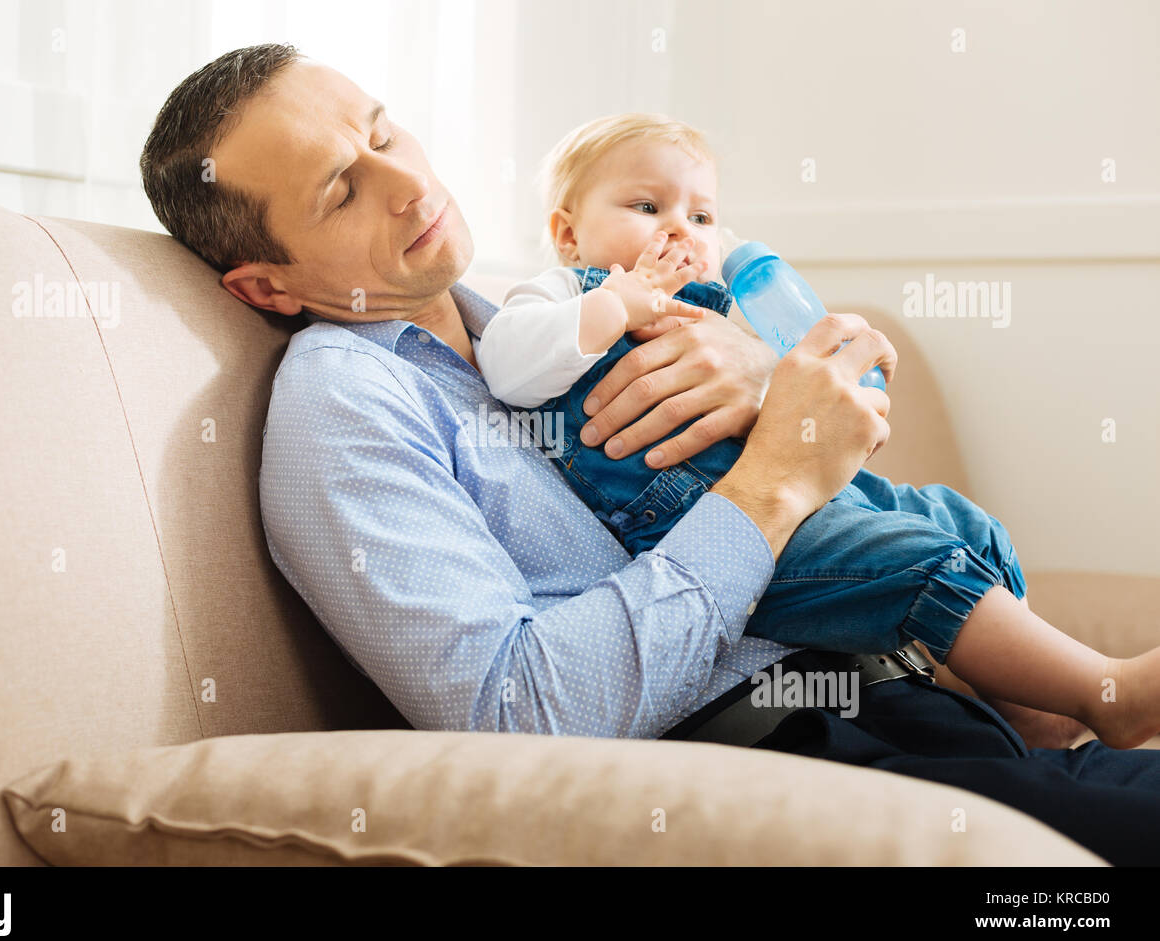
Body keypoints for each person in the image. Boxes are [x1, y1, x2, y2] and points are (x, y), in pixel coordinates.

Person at [139, 42, 1160, 864]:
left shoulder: (528, 325)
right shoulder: (342, 398)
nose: (408, 182)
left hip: (895, 686)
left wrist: (762, 379)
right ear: (267, 285)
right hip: (776, 764)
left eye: (383, 130)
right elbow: (517, 710)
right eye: (340, 190)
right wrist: (773, 483)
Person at [476, 112, 1160, 751]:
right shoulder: (563, 295)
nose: (680, 229)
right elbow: (508, 367)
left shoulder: (718, 314)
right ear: (568, 233)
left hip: (818, 492)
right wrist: (615, 302)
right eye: (648, 207)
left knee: (962, 521)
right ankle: (1108, 695)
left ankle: (1031, 710)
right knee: (914, 559)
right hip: (709, 524)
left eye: (702, 214)